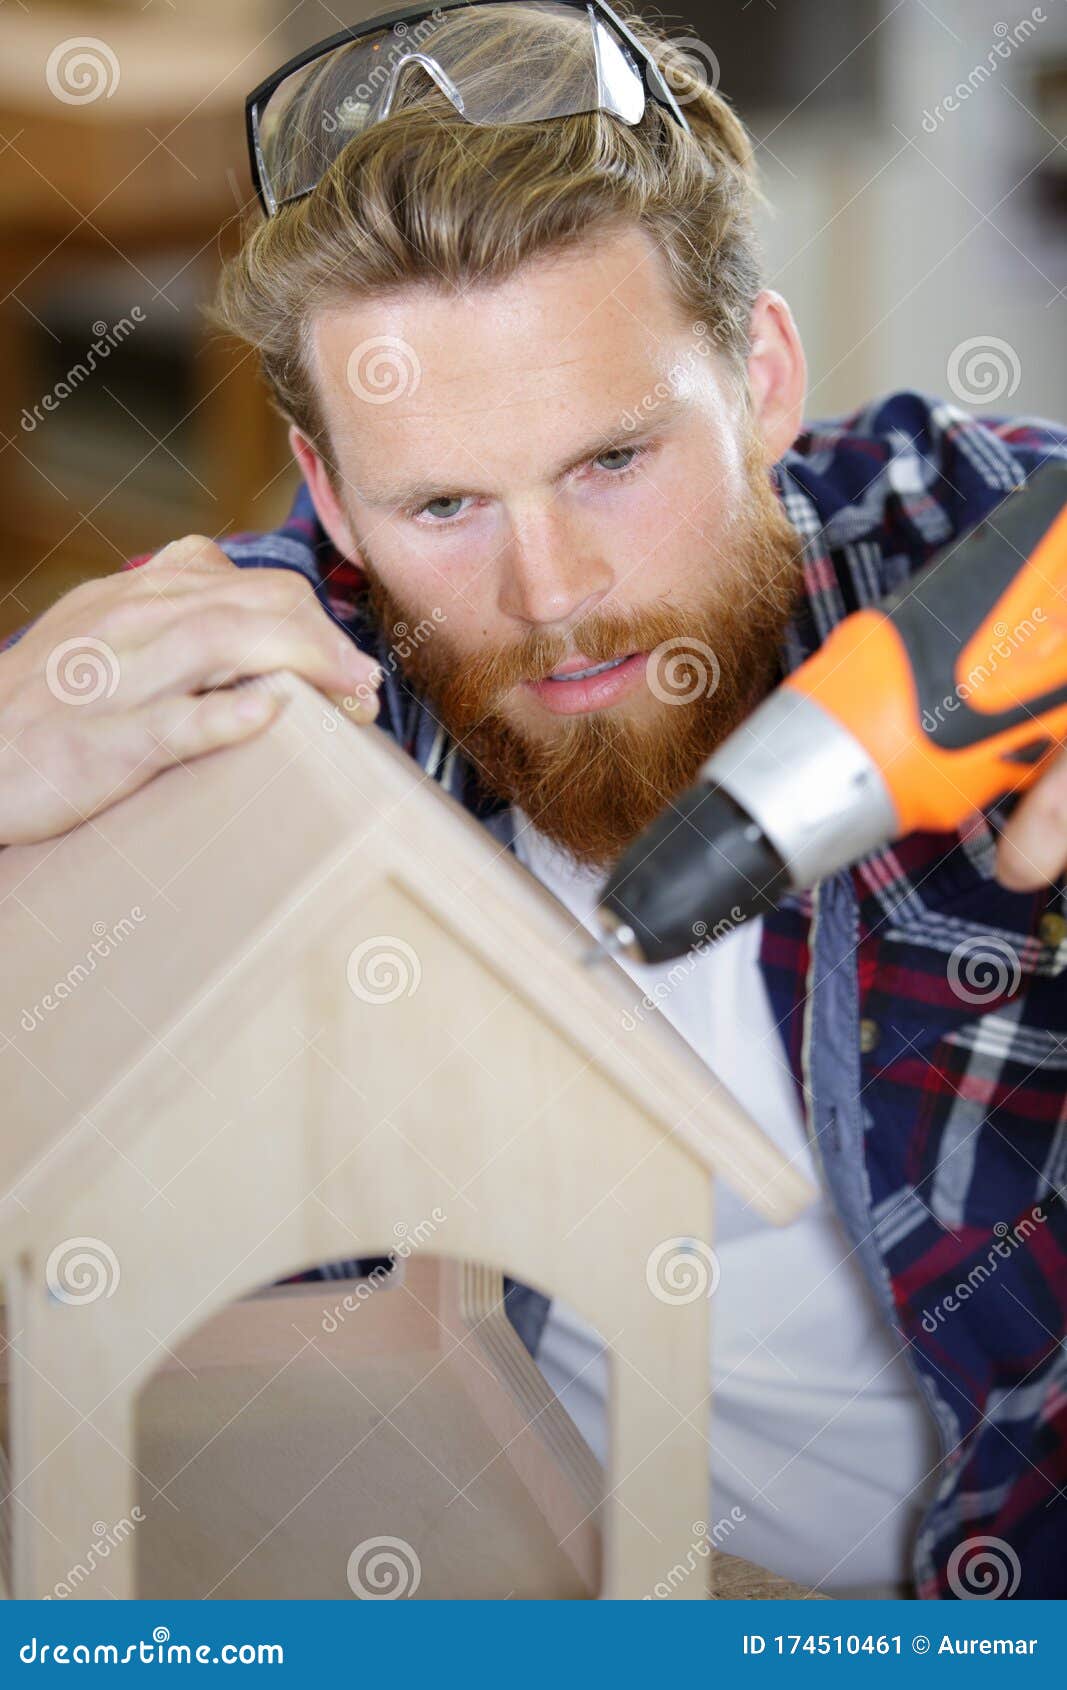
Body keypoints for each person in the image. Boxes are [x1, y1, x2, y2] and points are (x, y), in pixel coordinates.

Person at [2, 0, 1065, 1599]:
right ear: (329, 492)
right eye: (440, 502)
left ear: (762, 377)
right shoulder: (257, 694)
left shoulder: (990, 557)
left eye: (614, 461)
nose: (553, 592)